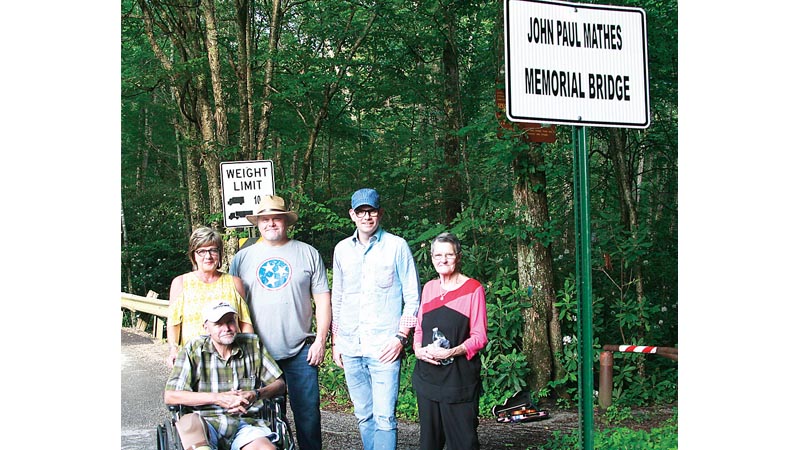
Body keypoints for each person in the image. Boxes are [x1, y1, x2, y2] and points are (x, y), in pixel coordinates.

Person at [230, 195, 331, 450]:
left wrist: (321, 340)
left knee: (308, 417)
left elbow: (323, 300)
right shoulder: (242, 258)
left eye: (276, 218)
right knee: (264, 420)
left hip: (301, 351)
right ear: (258, 224)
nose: (271, 223)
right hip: (257, 353)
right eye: (265, 219)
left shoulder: (307, 253)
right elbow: (233, 307)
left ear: (286, 221)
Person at [331, 188, 420, 450]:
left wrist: (400, 338)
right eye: (361, 211)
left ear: (380, 213)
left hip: (384, 347)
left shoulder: (396, 246)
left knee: (384, 418)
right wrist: (336, 342)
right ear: (352, 215)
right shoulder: (342, 250)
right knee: (363, 415)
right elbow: (338, 296)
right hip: (350, 345)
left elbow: (413, 297)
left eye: (371, 211)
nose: (366, 216)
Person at [165, 301, 286, 450]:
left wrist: (255, 394)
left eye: (230, 321)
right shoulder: (193, 349)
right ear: (206, 328)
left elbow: (280, 385)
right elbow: (171, 396)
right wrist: (217, 398)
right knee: (191, 428)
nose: (227, 328)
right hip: (205, 421)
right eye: (218, 324)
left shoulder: (252, 344)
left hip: (246, 423)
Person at [411, 232, 488, 450]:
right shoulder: (429, 288)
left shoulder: (473, 289)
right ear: (432, 257)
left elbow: (480, 337)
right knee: (429, 444)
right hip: (427, 379)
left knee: (464, 443)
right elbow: (419, 328)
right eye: (438, 255)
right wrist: (417, 349)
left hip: (458, 382)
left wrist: (452, 352)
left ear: (458, 256)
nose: (443, 260)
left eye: (449, 255)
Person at [166, 226, 254, 367]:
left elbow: (245, 322)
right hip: (193, 360)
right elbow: (174, 324)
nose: (208, 256)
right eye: (201, 251)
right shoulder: (180, 283)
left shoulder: (234, 283)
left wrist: (250, 352)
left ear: (220, 253)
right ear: (193, 255)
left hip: (231, 359)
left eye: (213, 250)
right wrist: (173, 349)